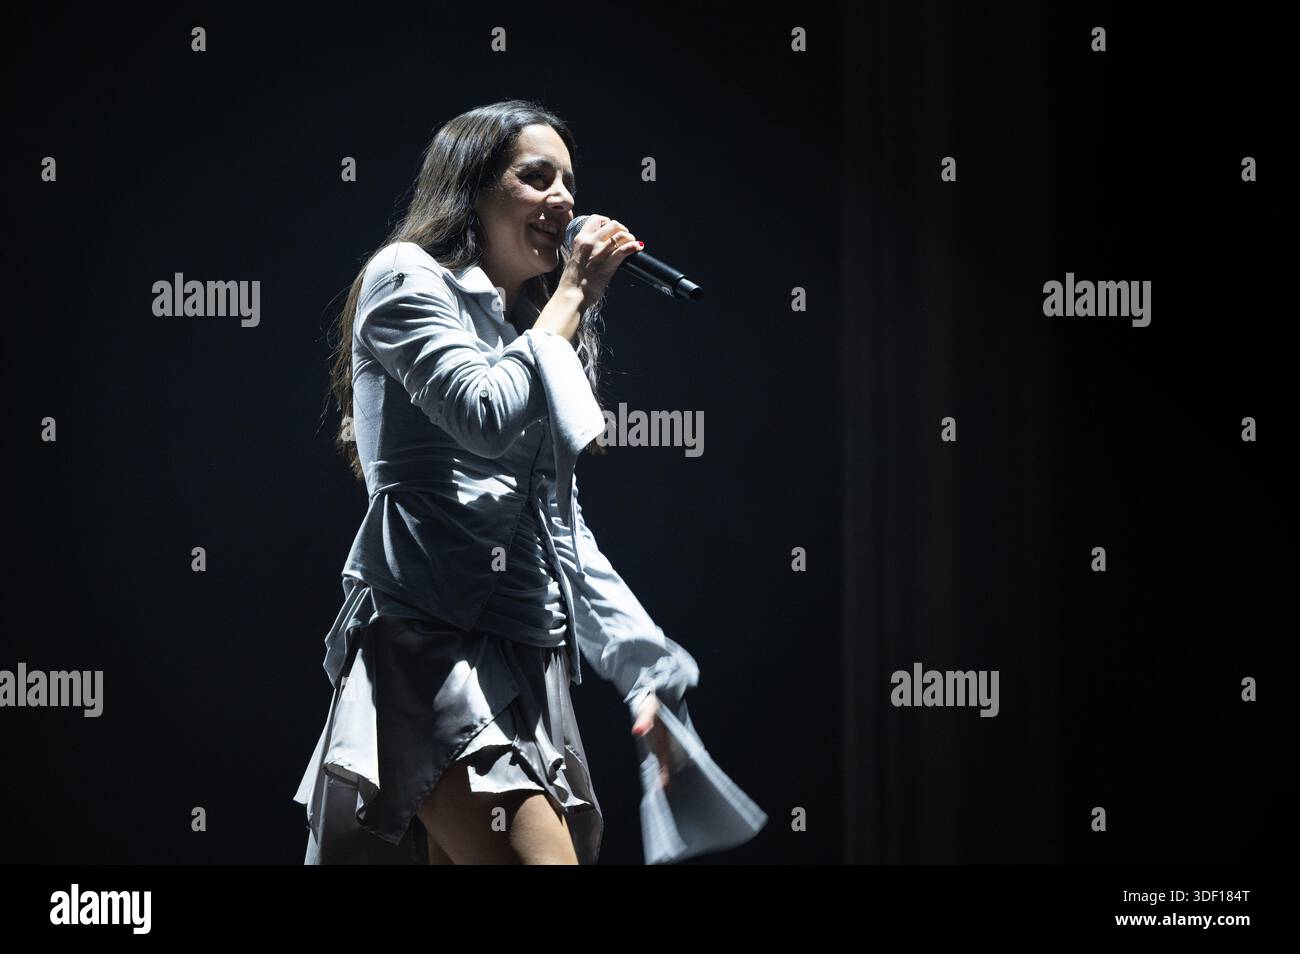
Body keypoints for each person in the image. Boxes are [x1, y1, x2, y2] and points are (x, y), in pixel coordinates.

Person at [293, 100, 766, 864]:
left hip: (528, 661)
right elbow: (480, 410)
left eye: (570, 184)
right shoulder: (405, 279)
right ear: (471, 189)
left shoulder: (533, 336)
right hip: (433, 650)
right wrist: (575, 295)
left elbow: (562, 531)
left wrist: (645, 675)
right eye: (536, 176)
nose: (565, 201)